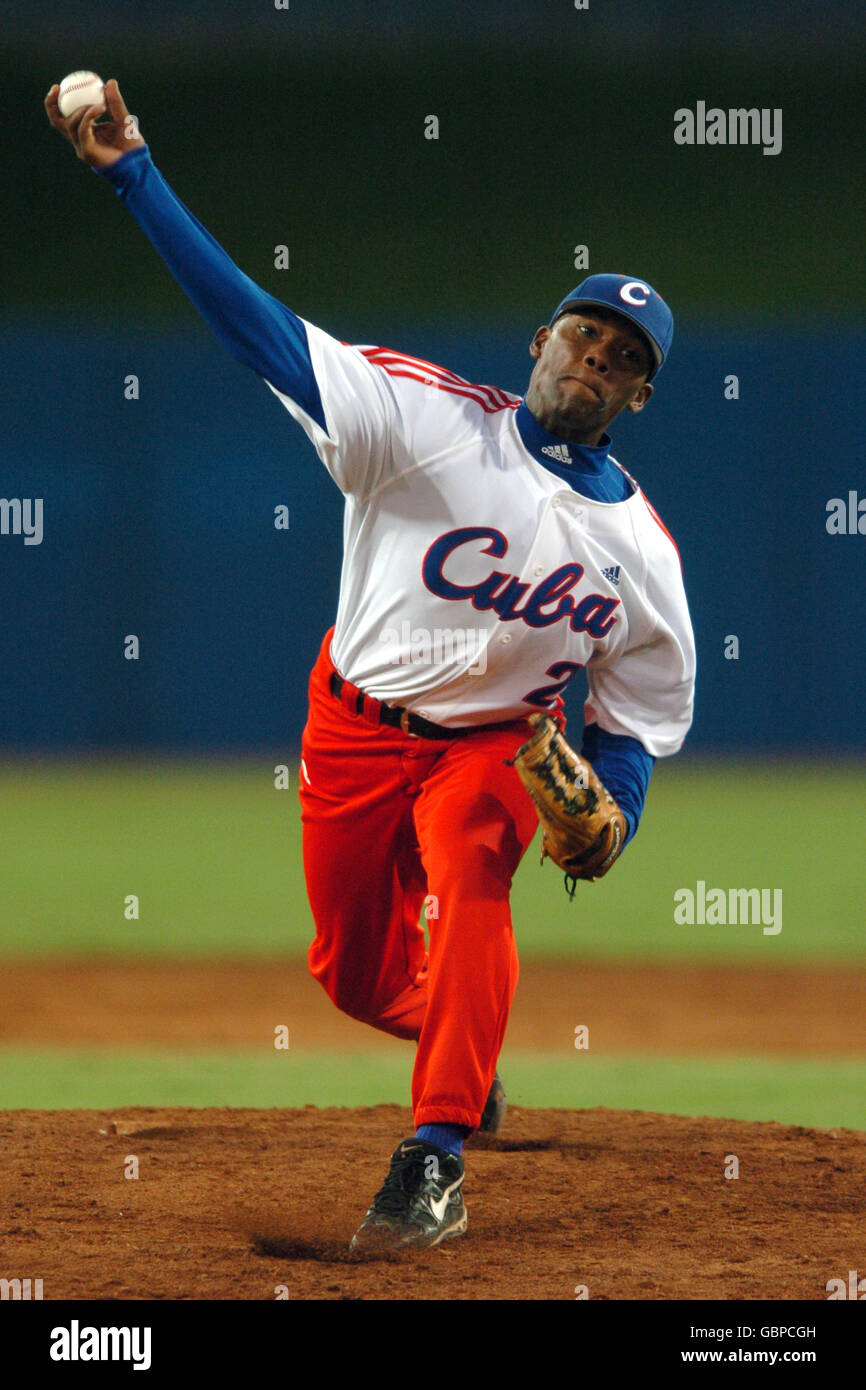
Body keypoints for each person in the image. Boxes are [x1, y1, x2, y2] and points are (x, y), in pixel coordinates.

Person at [45, 79, 696, 1252]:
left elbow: (639, 715)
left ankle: (434, 1154)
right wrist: (129, 172)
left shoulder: (640, 555)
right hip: (348, 723)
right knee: (349, 974)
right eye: (581, 334)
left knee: (470, 883)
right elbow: (254, 325)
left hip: (496, 748)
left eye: (620, 359)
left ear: (637, 394)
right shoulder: (423, 418)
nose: (592, 361)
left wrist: (620, 814)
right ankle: (464, 1053)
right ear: (539, 341)